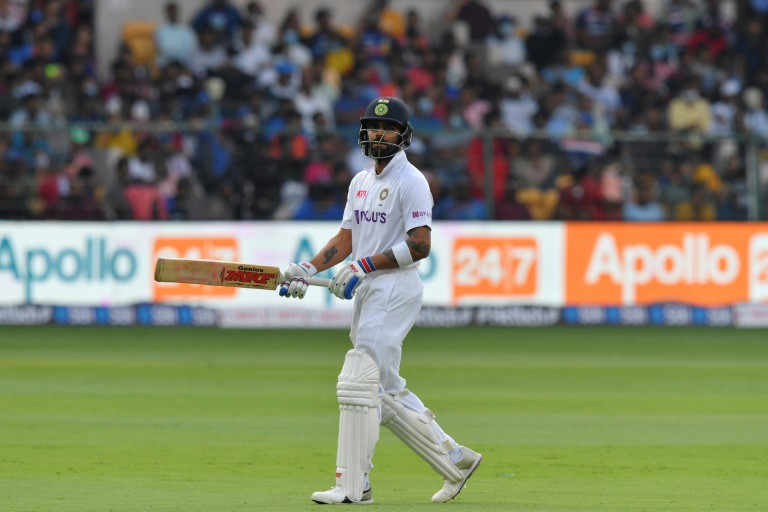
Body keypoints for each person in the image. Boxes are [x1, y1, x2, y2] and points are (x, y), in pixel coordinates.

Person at [278, 97, 482, 505]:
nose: (377, 134)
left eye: (387, 128)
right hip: (371, 288)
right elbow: (346, 241)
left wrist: (364, 266)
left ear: (403, 135)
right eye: (371, 127)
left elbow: (421, 245)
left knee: (358, 383)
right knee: (384, 391)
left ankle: (354, 486)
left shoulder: (412, 181)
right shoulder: (360, 181)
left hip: (395, 288)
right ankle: (455, 460)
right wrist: (308, 268)